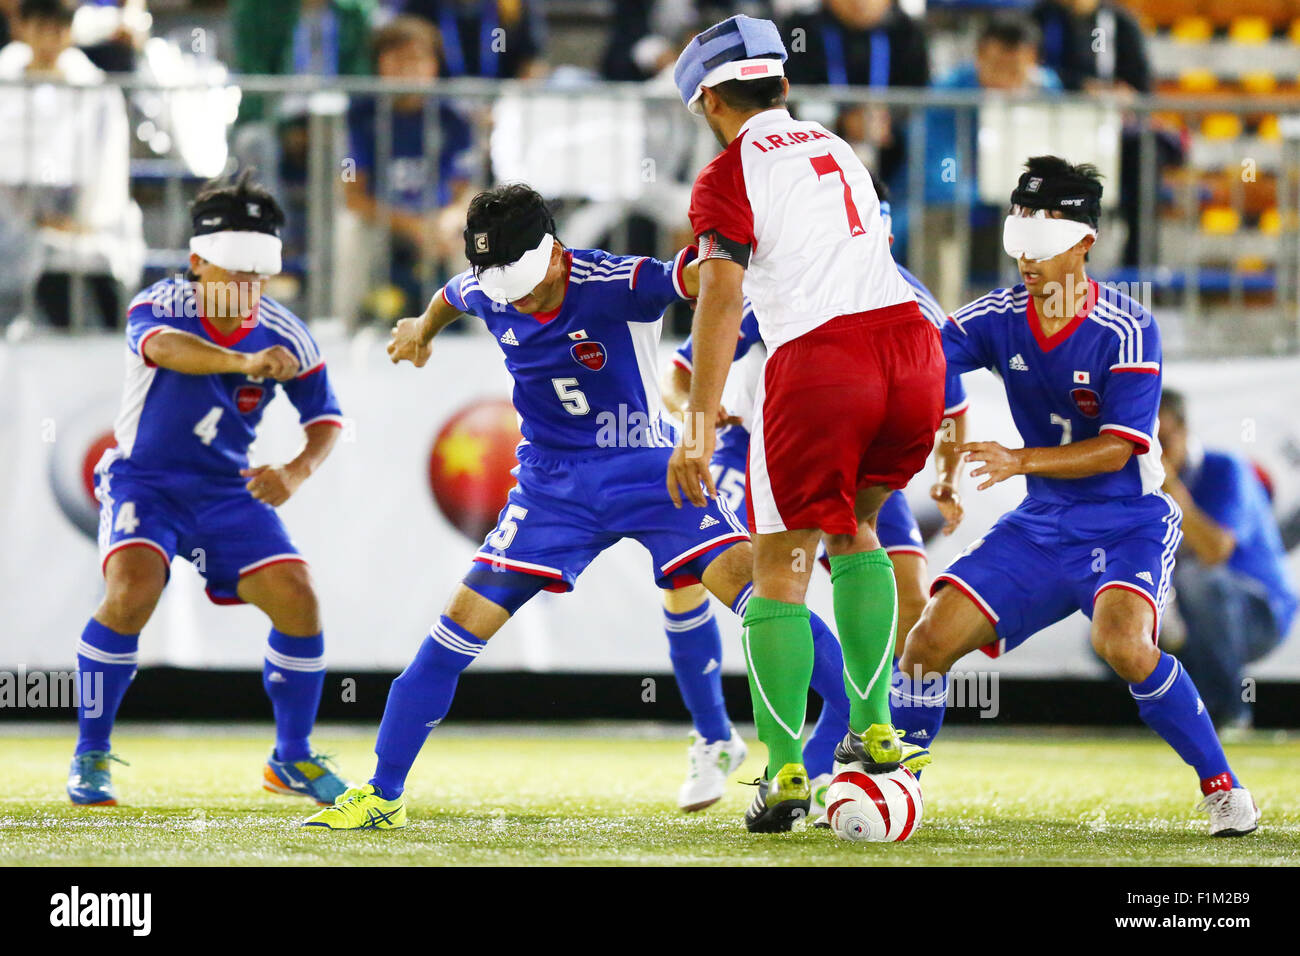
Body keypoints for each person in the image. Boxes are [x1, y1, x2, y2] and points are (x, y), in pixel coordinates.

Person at [300, 184, 847, 830]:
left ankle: (850, 729)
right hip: (550, 490)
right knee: (448, 638)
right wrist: (420, 331)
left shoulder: (619, 281)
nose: (520, 300)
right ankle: (381, 794)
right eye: (506, 289)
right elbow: (451, 297)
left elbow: (704, 281)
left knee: (765, 604)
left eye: (528, 283)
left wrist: (760, 259)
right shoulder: (490, 287)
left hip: (653, 473)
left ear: (555, 252)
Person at [895, 156, 1261, 837]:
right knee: (925, 643)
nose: (1025, 262)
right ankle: (898, 785)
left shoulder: (1128, 328)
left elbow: (1121, 447)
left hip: (1128, 522)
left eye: (1041, 243)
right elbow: (923, 360)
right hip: (1042, 524)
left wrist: (1019, 458)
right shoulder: (998, 316)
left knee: (1123, 644)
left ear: (1084, 242)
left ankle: (1222, 785)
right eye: (1018, 239)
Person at [668, 14, 944, 833]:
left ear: (707, 99)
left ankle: (787, 769)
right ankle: (876, 726)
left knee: (779, 565)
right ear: (782, 84)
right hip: (910, 353)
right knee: (857, 531)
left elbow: (721, 297)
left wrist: (696, 425)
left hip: (824, 365)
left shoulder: (727, 172)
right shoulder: (837, 145)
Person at [67, 173, 348, 808]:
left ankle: (292, 759)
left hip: (226, 490)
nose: (248, 289)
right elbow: (165, 349)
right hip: (146, 480)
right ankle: (90, 753)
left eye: (259, 275)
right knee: (132, 589)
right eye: (234, 273)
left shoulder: (287, 331)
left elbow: (326, 417)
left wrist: (296, 470)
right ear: (197, 263)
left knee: (298, 600)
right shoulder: (160, 304)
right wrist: (244, 363)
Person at [1158, 389, 1297, 728]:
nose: (1154, 452)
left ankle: (1228, 711)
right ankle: (1171, 716)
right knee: (1114, 619)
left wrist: (1169, 486)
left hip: (1258, 612)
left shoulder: (1225, 469)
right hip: (1190, 617)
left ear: (1184, 430)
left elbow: (1214, 552)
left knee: (1198, 578)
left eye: (1161, 439)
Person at [0, 0, 142, 328]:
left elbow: (108, 167)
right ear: (21, 28)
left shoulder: (94, 88)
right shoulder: (4, 80)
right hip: (7, 219)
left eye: (59, 30)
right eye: (41, 29)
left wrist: (80, 220)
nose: (50, 41)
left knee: (79, 269)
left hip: (75, 221)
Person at [341, 15, 477, 321]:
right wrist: (414, 227)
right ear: (380, 65)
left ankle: (486, 333)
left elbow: (465, 191)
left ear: (434, 65)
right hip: (382, 219)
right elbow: (353, 196)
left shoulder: (454, 116)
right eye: (397, 59)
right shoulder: (360, 116)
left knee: (477, 233)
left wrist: (446, 220)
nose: (408, 69)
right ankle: (344, 323)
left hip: (439, 220)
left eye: (417, 59)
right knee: (349, 230)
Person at [922, 14, 1062, 297]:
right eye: (997, 67)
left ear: (1032, 60)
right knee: (941, 219)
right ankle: (942, 326)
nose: (1005, 81)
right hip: (960, 202)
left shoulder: (1048, 91)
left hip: (1016, 203)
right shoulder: (948, 93)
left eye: (1015, 70)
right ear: (979, 56)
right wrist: (986, 189)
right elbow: (942, 169)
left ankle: (1049, 325)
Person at [402, 0, 547, 79]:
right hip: (437, 108)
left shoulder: (513, 7)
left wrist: (507, 106)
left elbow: (532, 64)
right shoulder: (421, 6)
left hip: (500, 110)